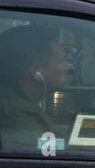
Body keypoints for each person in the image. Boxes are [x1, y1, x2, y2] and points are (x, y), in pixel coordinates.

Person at [0, 23, 72, 153]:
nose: (69, 67)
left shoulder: (15, 104)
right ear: (36, 71)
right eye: (61, 61)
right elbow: (49, 159)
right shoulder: (17, 119)